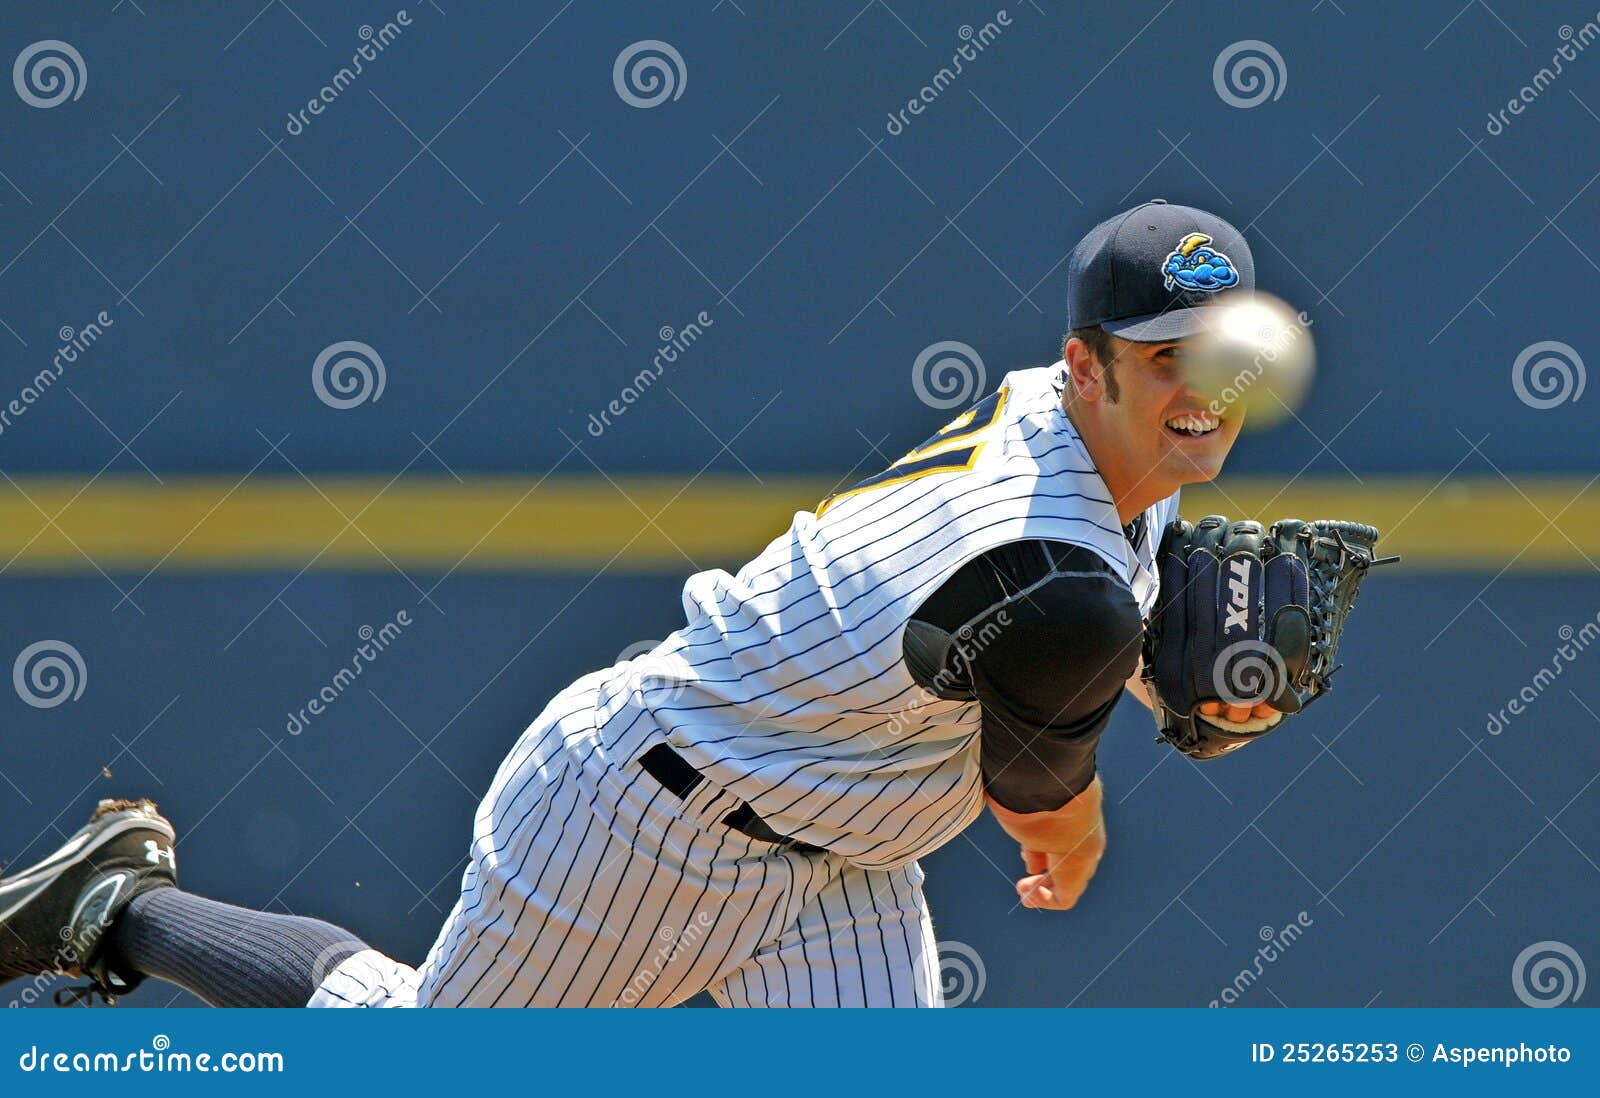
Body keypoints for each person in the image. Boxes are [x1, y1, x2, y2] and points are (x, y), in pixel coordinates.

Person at [1, 200, 1292, 1008]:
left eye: (1223, 360)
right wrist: (1080, 820)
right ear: (1085, 363)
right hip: (650, 817)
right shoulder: (1044, 551)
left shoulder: (1089, 441)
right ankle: (120, 906)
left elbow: (1040, 627)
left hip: (837, 848)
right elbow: (1040, 748)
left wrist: (1177, 677)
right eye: (1164, 359)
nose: (1203, 394)